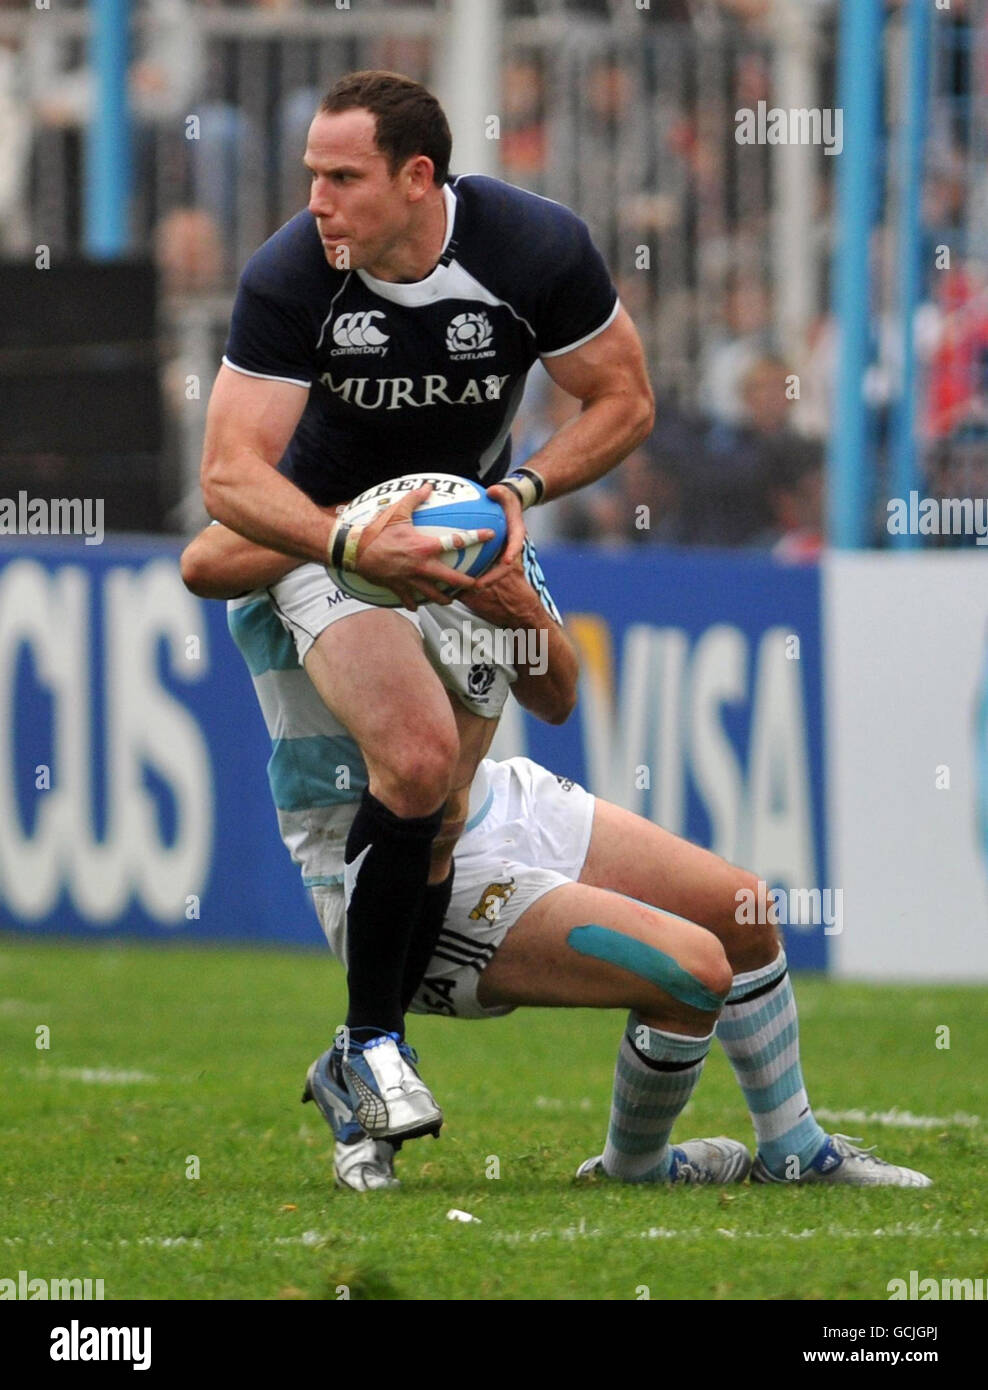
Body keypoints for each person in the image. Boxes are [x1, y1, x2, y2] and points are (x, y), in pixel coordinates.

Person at [180, 525, 933, 1195]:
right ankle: (634, 1168)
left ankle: (794, 1149)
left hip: (498, 799)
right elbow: (205, 560)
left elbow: (559, 693)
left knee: (742, 911)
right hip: (384, 854)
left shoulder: (469, 511)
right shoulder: (301, 517)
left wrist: (518, 609)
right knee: (693, 972)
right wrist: (353, 532)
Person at [197, 69, 654, 1143]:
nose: (316, 200)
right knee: (406, 754)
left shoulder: (532, 248)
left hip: (460, 527)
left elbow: (625, 398)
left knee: (445, 800)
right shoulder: (291, 273)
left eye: (341, 178)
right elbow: (229, 473)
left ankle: (360, 1047)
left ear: (416, 179)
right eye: (311, 174)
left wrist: (517, 495)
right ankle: (380, 1048)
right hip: (324, 531)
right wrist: (350, 538)